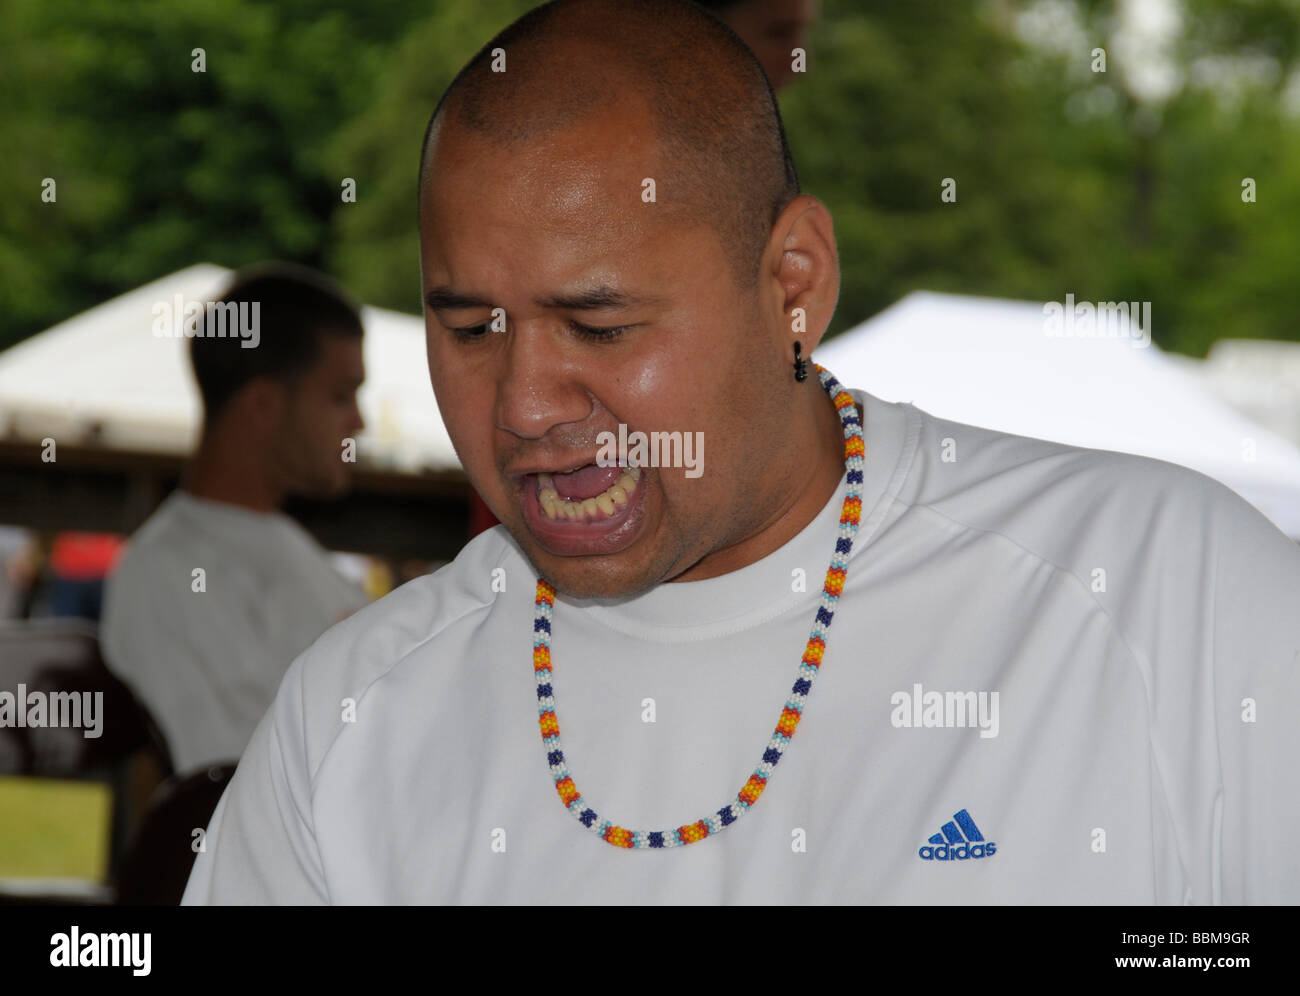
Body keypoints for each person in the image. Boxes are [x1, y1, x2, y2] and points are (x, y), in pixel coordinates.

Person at [182, 0, 1300, 904]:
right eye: (470, 328)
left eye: (600, 326)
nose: (523, 404)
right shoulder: (354, 720)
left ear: (793, 287)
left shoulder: (1172, 597)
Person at [102, 263, 369, 774]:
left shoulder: (291, 548)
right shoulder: (165, 572)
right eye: (341, 395)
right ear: (263, 404)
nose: (359, 422)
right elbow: (227, 782)